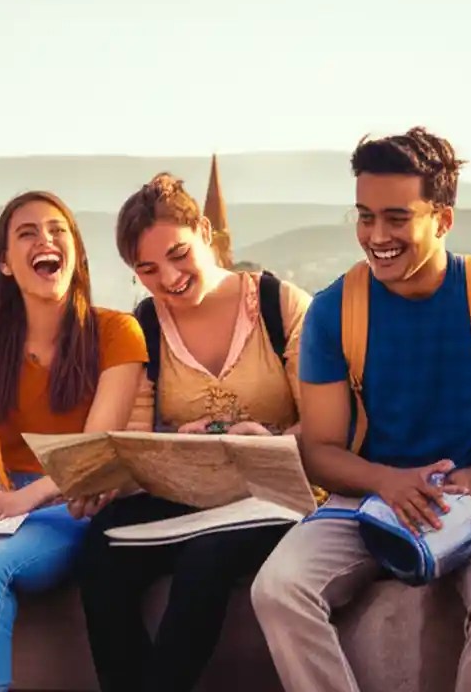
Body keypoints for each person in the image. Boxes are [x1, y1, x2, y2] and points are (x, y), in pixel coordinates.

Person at [249, 127, 471, 692]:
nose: (376, 235)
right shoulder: (334, 311)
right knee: (277, 587)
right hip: (369, 494)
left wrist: (469, 482)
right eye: (365, 217)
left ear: (442, 219)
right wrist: (389, 483)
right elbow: (320, 449)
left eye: (396, 218)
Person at [70, 172, 311, 692]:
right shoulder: (146, 326)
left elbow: (327, 422)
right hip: (190, 496)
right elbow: (136, 441)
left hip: (277, 495)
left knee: (207, 560)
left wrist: (268, 440)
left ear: (205, 231)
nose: (169, 278)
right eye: (148, 269)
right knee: (101, 548)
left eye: (179, 254)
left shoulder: (279, 304)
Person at [0, 191, 147, 692]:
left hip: (74, 507)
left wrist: (20, 501)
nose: (45, 240)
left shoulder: (117, 332)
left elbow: (91, 453)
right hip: (5, 505)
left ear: (75, 251)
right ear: (5, 264)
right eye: (26, 233)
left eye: (57, 231)